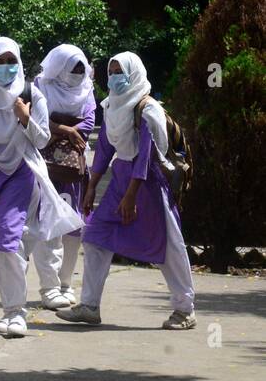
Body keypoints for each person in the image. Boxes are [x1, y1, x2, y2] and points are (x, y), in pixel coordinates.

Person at [57, 53, 197, 330]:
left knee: (167, 245)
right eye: (111, 72)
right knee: (95, 236)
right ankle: (89, 306)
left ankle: (185, 309)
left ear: (133, 73)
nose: (114, 77)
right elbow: (104, 150)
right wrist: (91, 187)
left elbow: (146, 155)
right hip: (122, 179)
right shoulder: (112, 106)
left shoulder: (148, 109)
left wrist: (131, 196)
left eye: (120, 71)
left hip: (149, 184)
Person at [0, 38, 82, 337]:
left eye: (11, 61)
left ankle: (16, 312)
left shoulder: (31, 94)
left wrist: (25, 118)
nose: (6, 67)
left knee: (4, 237)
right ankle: (10, 311)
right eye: (0, 61)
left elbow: (41, 140)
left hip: (22, 175)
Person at [29, 44, 96, 309]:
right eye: (72, 69)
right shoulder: (40, 85)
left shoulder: (87, 89)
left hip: (72, 169)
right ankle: (50, 285)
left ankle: (66, 283)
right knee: (47, 222)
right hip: (44, 166)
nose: (78, 74)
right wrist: (67, 131)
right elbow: (36, 120)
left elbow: (89, 121)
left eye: (81, 69)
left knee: (72, 225)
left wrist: (61, 130)